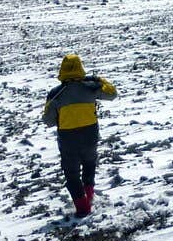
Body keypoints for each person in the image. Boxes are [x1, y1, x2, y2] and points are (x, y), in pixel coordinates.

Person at [41, 54, 118, 216]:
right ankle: (89, 196)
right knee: (89, 164)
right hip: (90, 133)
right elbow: (112, 94)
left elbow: (48, 121)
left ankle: (82, 207)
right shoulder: (90, 87)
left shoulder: (56, 93)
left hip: (68, 138)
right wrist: (100, 79)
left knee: (71, 172)